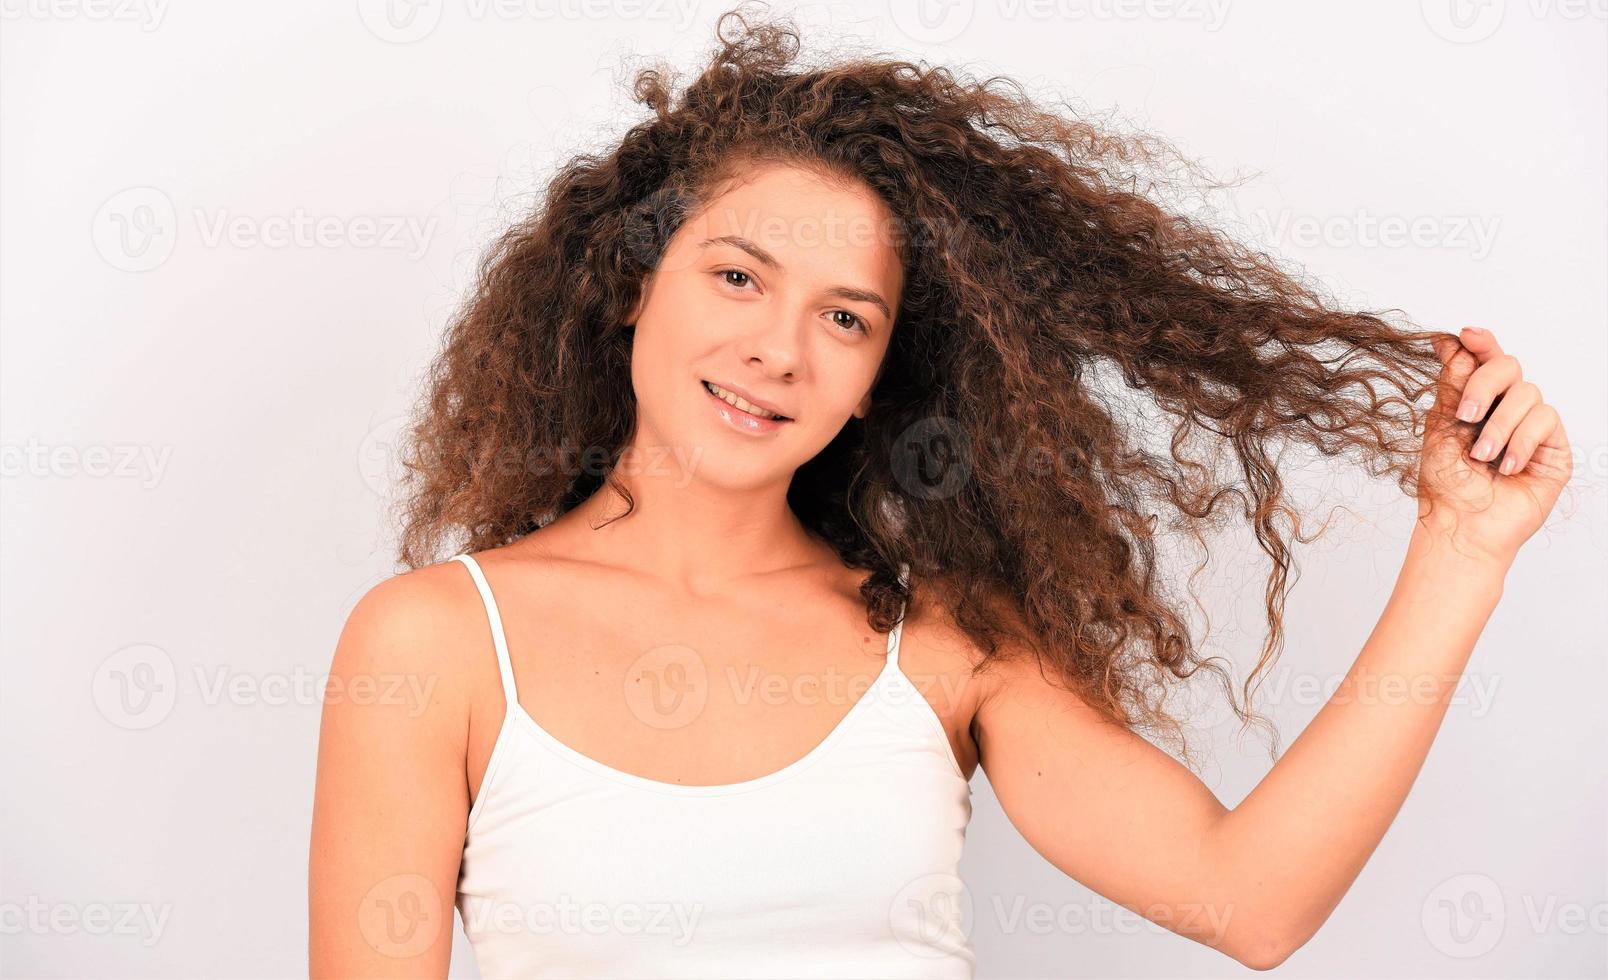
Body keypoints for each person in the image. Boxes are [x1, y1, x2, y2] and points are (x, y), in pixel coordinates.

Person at [308, 7, 1573, 977]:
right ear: (636, 280)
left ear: (877, 378)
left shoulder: (941, 640)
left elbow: (1248, 898)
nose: (778, 350)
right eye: (738, 277)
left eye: (843, 316)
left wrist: (1464, 546)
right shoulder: (432, 640)